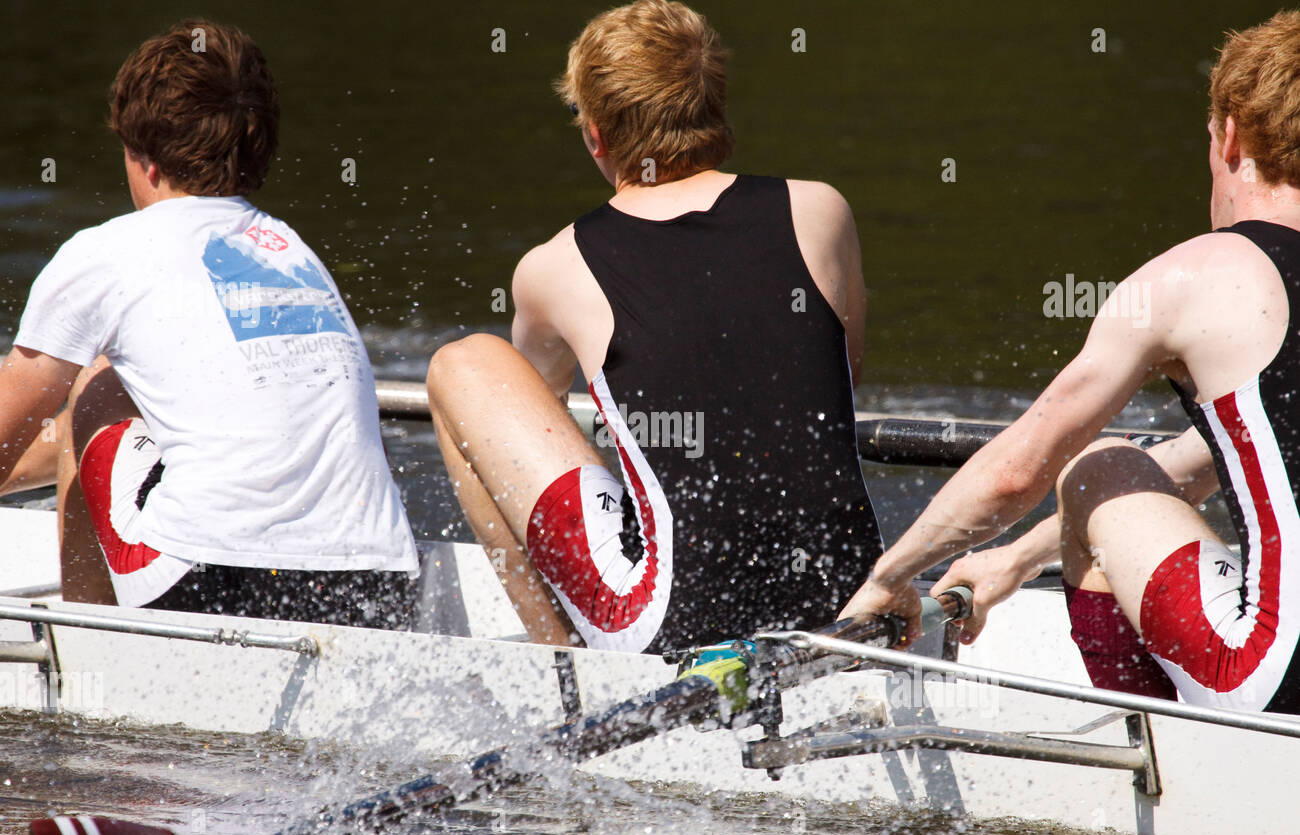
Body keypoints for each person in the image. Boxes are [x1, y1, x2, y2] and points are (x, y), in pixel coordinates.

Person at [843, 11, 1300, 714]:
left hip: (1278, 680)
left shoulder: (1201, 273)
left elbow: (1021, 470)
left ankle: (1168, 753)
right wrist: (1015, 560)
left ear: (1231, 137)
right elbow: (1203, 461)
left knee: (1099, 466)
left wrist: (890, 576)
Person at [427, 0, 882, 653]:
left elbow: (535, 417)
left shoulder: (553, 268)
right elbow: (843, 377)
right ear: (714, 107)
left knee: (462, 364)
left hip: (678, 622)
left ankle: (559, 660)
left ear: (595, 135)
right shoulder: (821, 210)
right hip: (846, 601)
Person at [2, 20, 419, 628]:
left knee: (95, 384)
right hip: (375, 588)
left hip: (214, 582)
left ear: (143, 160)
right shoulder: (292, 250)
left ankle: (88, 638)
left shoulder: (105, 251)